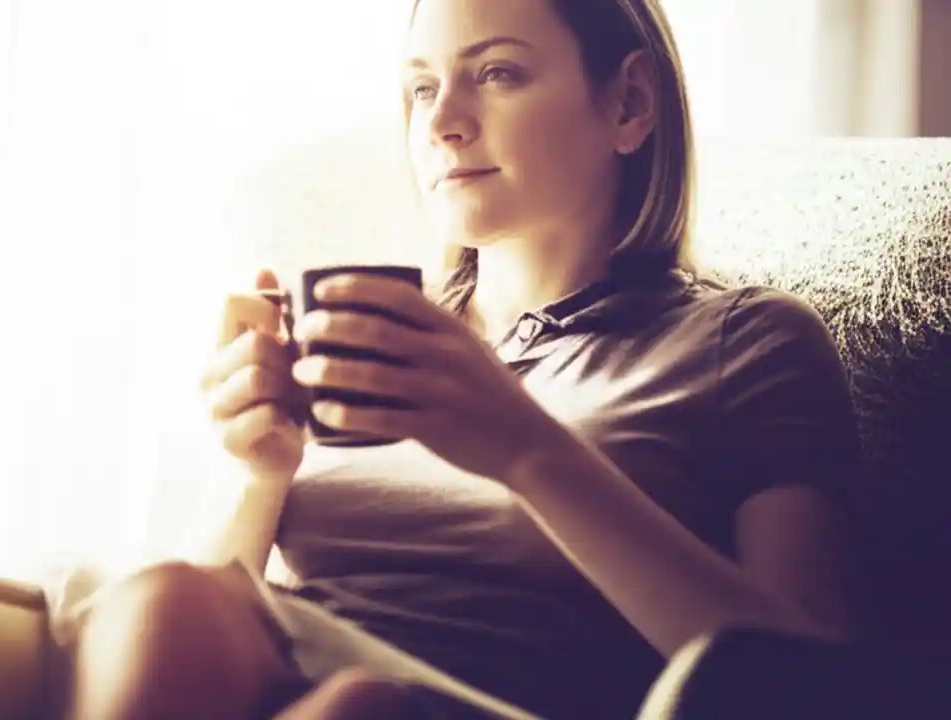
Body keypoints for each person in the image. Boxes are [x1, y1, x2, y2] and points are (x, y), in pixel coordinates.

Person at [72, 0, 859, 717]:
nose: (442, 122)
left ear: (629, 103)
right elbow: (214, 633)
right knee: (163, 601)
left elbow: (808, 685)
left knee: (359, 709)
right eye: (421, 88)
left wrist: (526, 451)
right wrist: (260, 473)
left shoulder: (750, 343)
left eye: (497, 73)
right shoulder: (363, 347)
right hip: (297, 674)